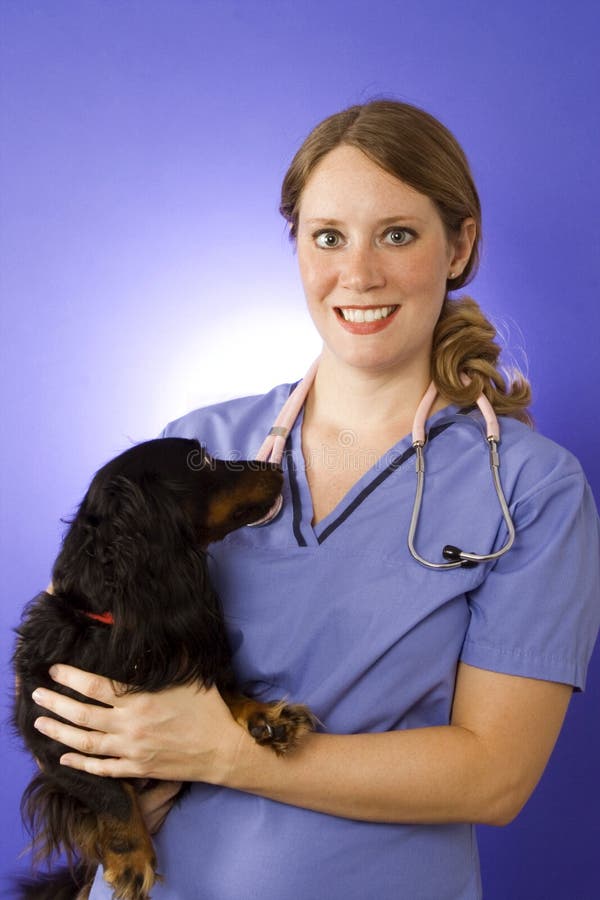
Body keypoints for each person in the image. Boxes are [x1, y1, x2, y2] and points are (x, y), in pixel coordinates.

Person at [31, 100, 600, 899]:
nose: (357, 275)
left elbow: (493, 777)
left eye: (397, 234)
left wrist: (220, 754)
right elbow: (71, 671)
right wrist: (111, 774)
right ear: (297, 246)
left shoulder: (530, 491)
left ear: (460, 244)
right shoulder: (193, 448)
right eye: (327, 236)